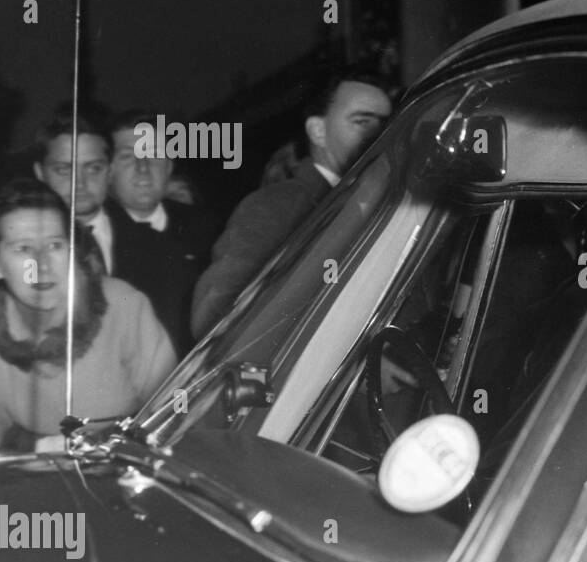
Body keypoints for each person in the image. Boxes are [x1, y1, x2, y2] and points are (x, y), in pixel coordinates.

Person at [190, 70, 392, 338]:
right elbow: (215, 312)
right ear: (318, 131)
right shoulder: (276, 207)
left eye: (387, 125)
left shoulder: (388, 204)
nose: (379, 135)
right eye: (362, 122)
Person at [0, 179, 175, 451]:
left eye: (54, 246)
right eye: (23, 249)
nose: (42, 267)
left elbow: (177, 410)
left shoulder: (124, 307)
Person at [32, 114, 185, 353]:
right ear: (40, 173)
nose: (79, 183)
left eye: (93, 168)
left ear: (110, 170)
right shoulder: (21, 252)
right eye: (63, 170)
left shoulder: (159, 246)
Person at [107, 111, 220, 355]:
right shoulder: (95, 238)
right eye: (128, 156)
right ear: (109, 170)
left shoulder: (207, 228)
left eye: (154, 154)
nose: (143, 167)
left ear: (169, 166)